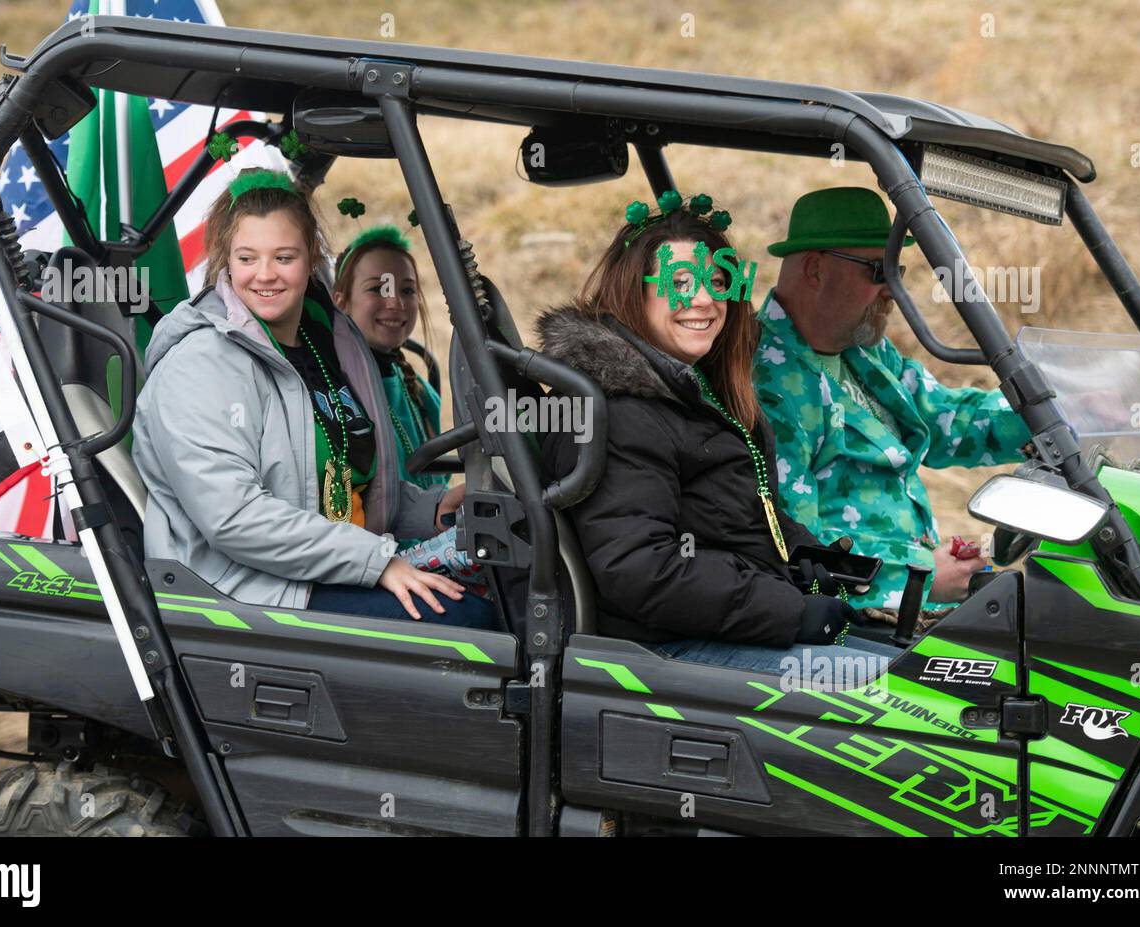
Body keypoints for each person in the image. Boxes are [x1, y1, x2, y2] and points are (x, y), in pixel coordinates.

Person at [539, 191, 897, 675]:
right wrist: (789, 611)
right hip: (663, 651)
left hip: (717, 627)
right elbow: (643, 571)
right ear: (634, 292)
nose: (704, 299)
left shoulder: (695, 392)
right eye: (679, 282)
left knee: (913, 663)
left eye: (717, 281)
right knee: (888, 693)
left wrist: (803, 554)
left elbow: (730, 518)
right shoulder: (624, 410)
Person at [131, 168, 498, 629]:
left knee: (501, 591)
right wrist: (376, 561)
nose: (265, 275)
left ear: (311, 261)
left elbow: (342, 483)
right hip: (240, 592)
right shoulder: (200, 364)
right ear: (227, 262)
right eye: (248, 258)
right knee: (469, 621)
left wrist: (434, 511)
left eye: (284, 257)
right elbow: (234, 518)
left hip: (324, 570)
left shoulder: (327, 345)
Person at [754, 187, 1032, 613]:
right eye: (877, 272)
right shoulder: (767, 382)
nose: (893, 291)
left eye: (896, 271)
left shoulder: (863, 352)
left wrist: (1046, 414)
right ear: (814, 270)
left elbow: (947, 422)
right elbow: (793, 546)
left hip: (904, 616)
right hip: (850, 633)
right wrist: (919, 575)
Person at [332, 222, 451, 491]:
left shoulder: (420, 392)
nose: (395, 302)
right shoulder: (335, 393)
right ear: (340, 302)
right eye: (378, 288)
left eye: (407, 290)